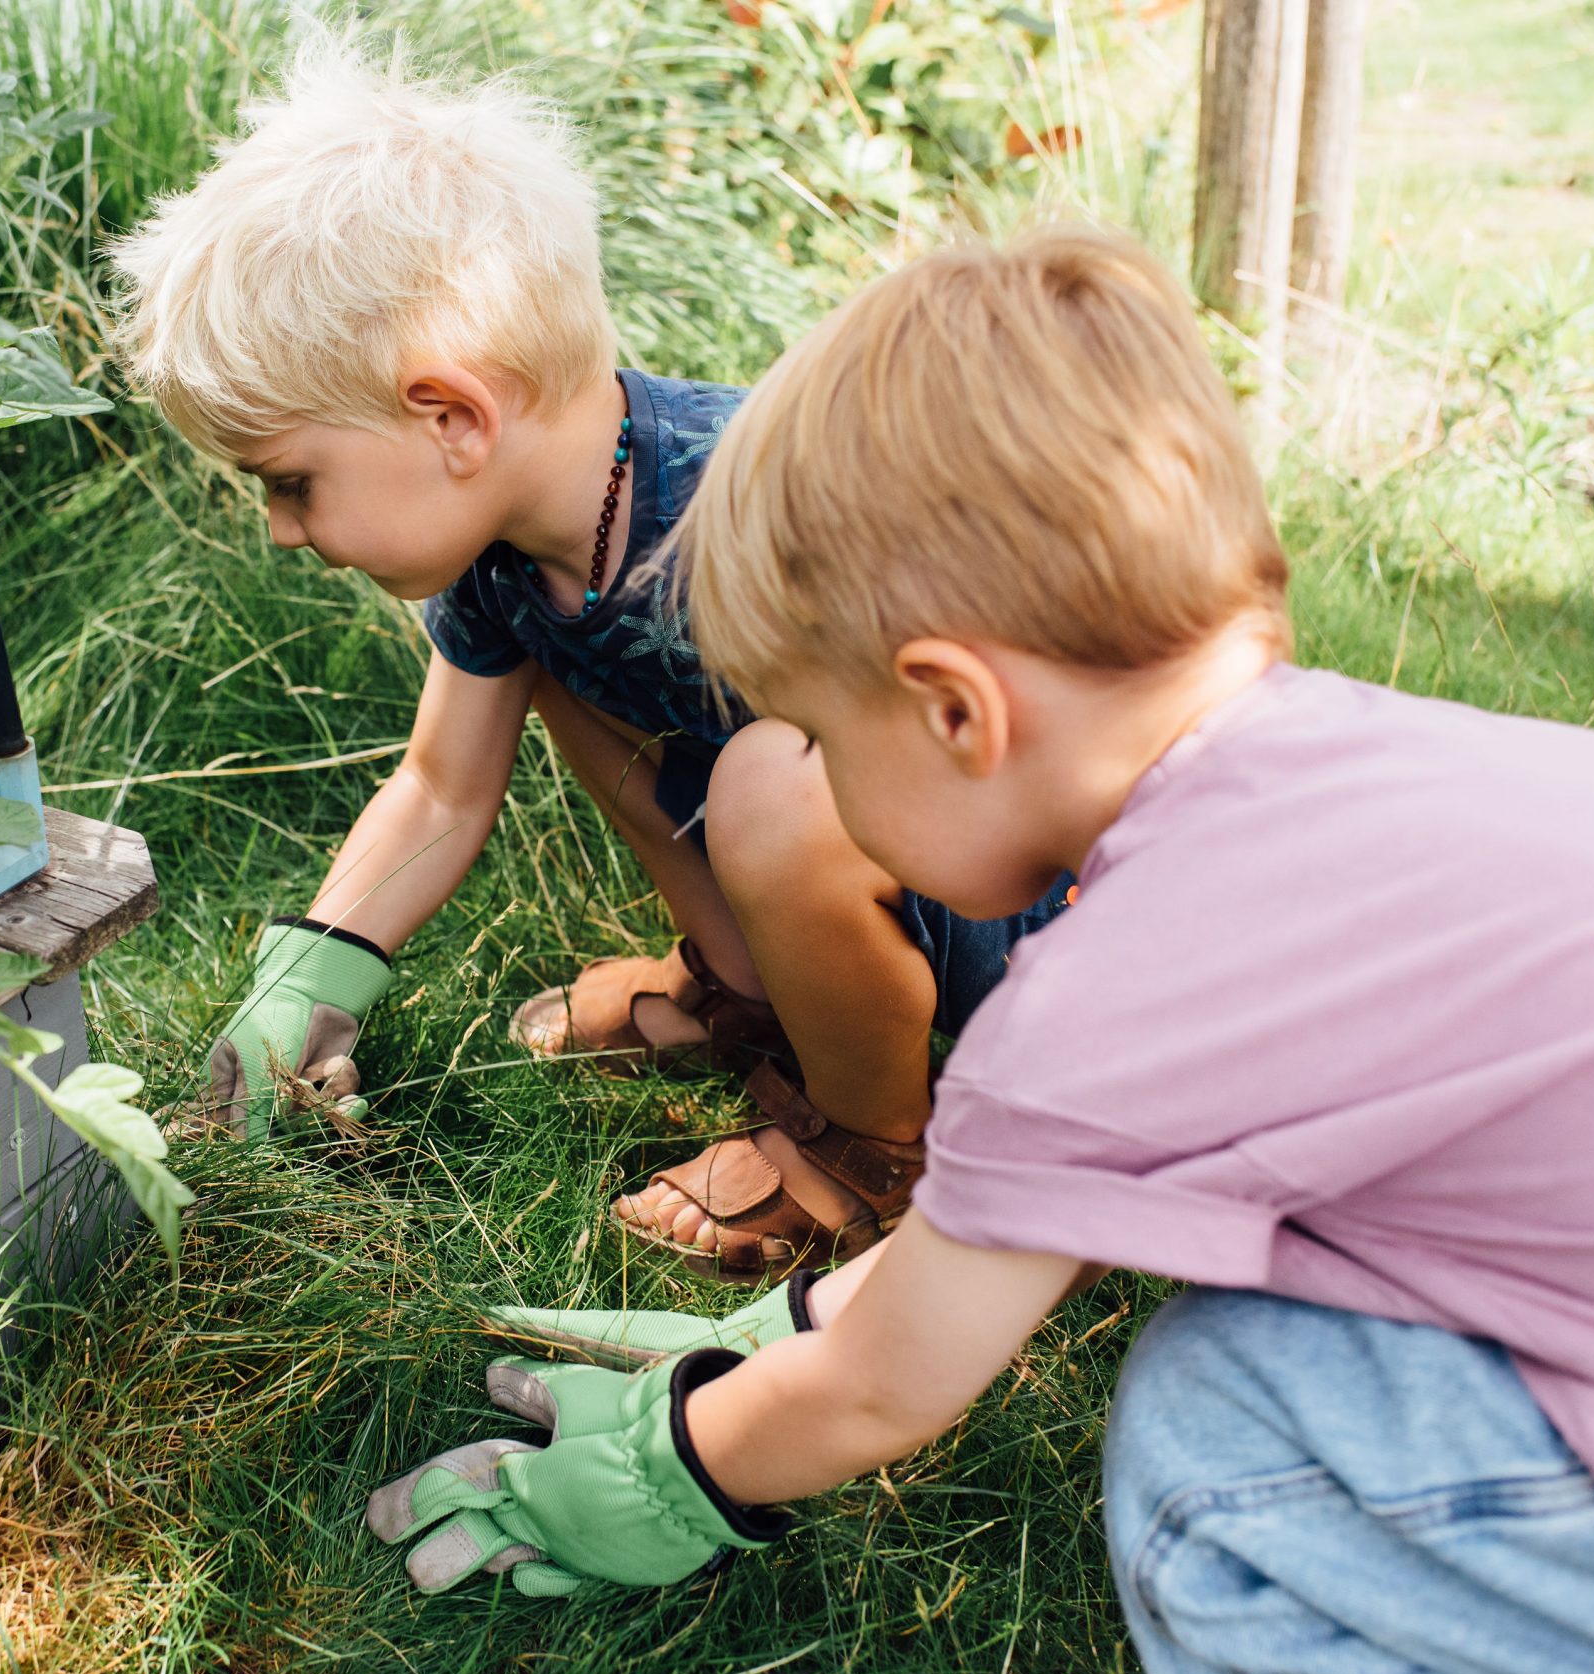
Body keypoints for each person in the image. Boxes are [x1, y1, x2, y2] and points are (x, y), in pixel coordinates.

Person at [363, 227, 1594, 1674]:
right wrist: (756, 1342)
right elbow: (970, 1266)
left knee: (1217, 1430)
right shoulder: (1373, 780)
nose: (826, 795)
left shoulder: (1123, 985)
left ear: (958, 714)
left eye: (830, 745)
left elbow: (885, 1387)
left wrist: (673, 1467)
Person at [107, 41, 1069, 1276]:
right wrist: (304, 984)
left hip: (1028, 911)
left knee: (774, 780)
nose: (280, 528)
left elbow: (992, 746)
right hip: (853, 861)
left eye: (291, 481)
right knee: (561, 664)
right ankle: (750, 984)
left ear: (451, 416)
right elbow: (441, 789)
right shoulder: (506, 554)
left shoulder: (758, 501)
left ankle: (865, 1144)